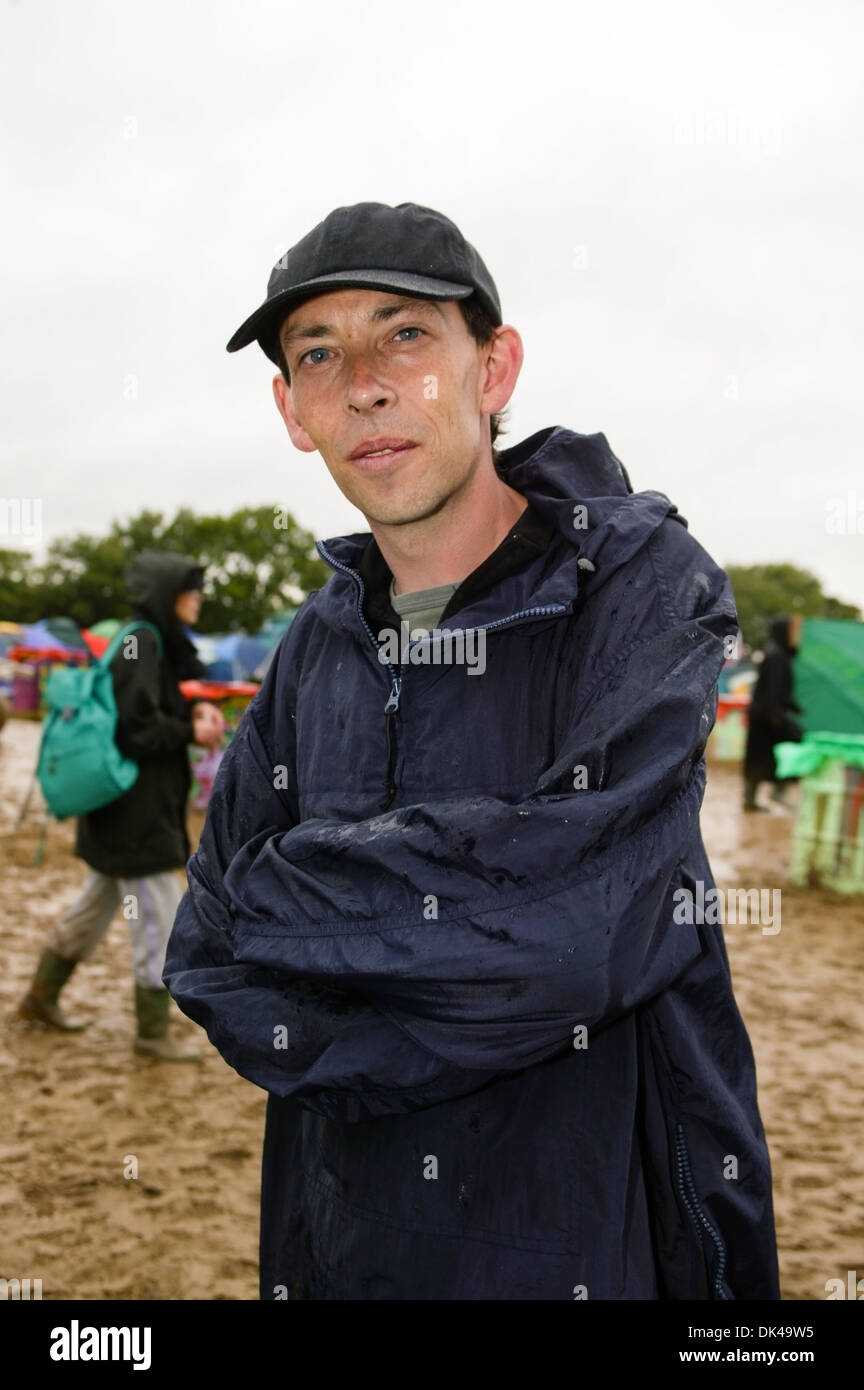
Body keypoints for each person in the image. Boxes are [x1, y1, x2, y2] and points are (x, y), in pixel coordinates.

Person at [164, 202, 780, 1298]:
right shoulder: (316, 644)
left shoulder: (639, 591)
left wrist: (319, 960)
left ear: (494, 369)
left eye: (404, 334)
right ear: (292, 410)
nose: (364, 382)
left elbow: (580, 934)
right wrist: (464, 972)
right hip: (338, 1244)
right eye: (319, 353)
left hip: (595, 1242)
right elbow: (208, 950)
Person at [19, 549, 224, 1060]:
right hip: (135, 817)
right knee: (156, 918)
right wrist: (190, 731)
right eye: (190, 587)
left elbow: (168, 694)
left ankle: (38, 999)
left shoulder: (155, 642)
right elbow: (136, 730)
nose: (198, 597)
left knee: (93, 908)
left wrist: (196, 708)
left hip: (120, 812)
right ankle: (151, 1034)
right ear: (166, 593)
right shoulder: (140, 643)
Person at [743, 614, 804, 811]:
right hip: (767, 716)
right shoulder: (776, 656)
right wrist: (776, 715)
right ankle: (775, 792)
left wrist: (792, 707)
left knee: (759, 757)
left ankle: (754, 799)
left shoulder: (777, 654)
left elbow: (778, 690)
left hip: (766, 714)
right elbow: (773, 690)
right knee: (793, 740)